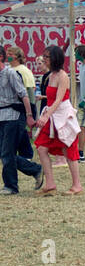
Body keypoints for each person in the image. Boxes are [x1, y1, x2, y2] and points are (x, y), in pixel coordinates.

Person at [32, 45, 83, 195]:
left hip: (63, 116)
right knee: (41, 148)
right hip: (52, 116)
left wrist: (46, 115)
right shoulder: (50, 75)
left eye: (47, 57)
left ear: (55, 58)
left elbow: (59, 99)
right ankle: (50, 184)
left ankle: (77, 186)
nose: (44, 59)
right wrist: (45, 114)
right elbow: (51, 99)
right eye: (44, 56)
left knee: (68, 150)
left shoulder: (62, 76)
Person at [0, 51, 41, 194]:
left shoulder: (10, 73)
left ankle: (11, 186)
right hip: (1, 116)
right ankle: (36, 169)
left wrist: (29, 115)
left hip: (14, 116)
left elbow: (24, 95)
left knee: (7, 152)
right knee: (4, 153)